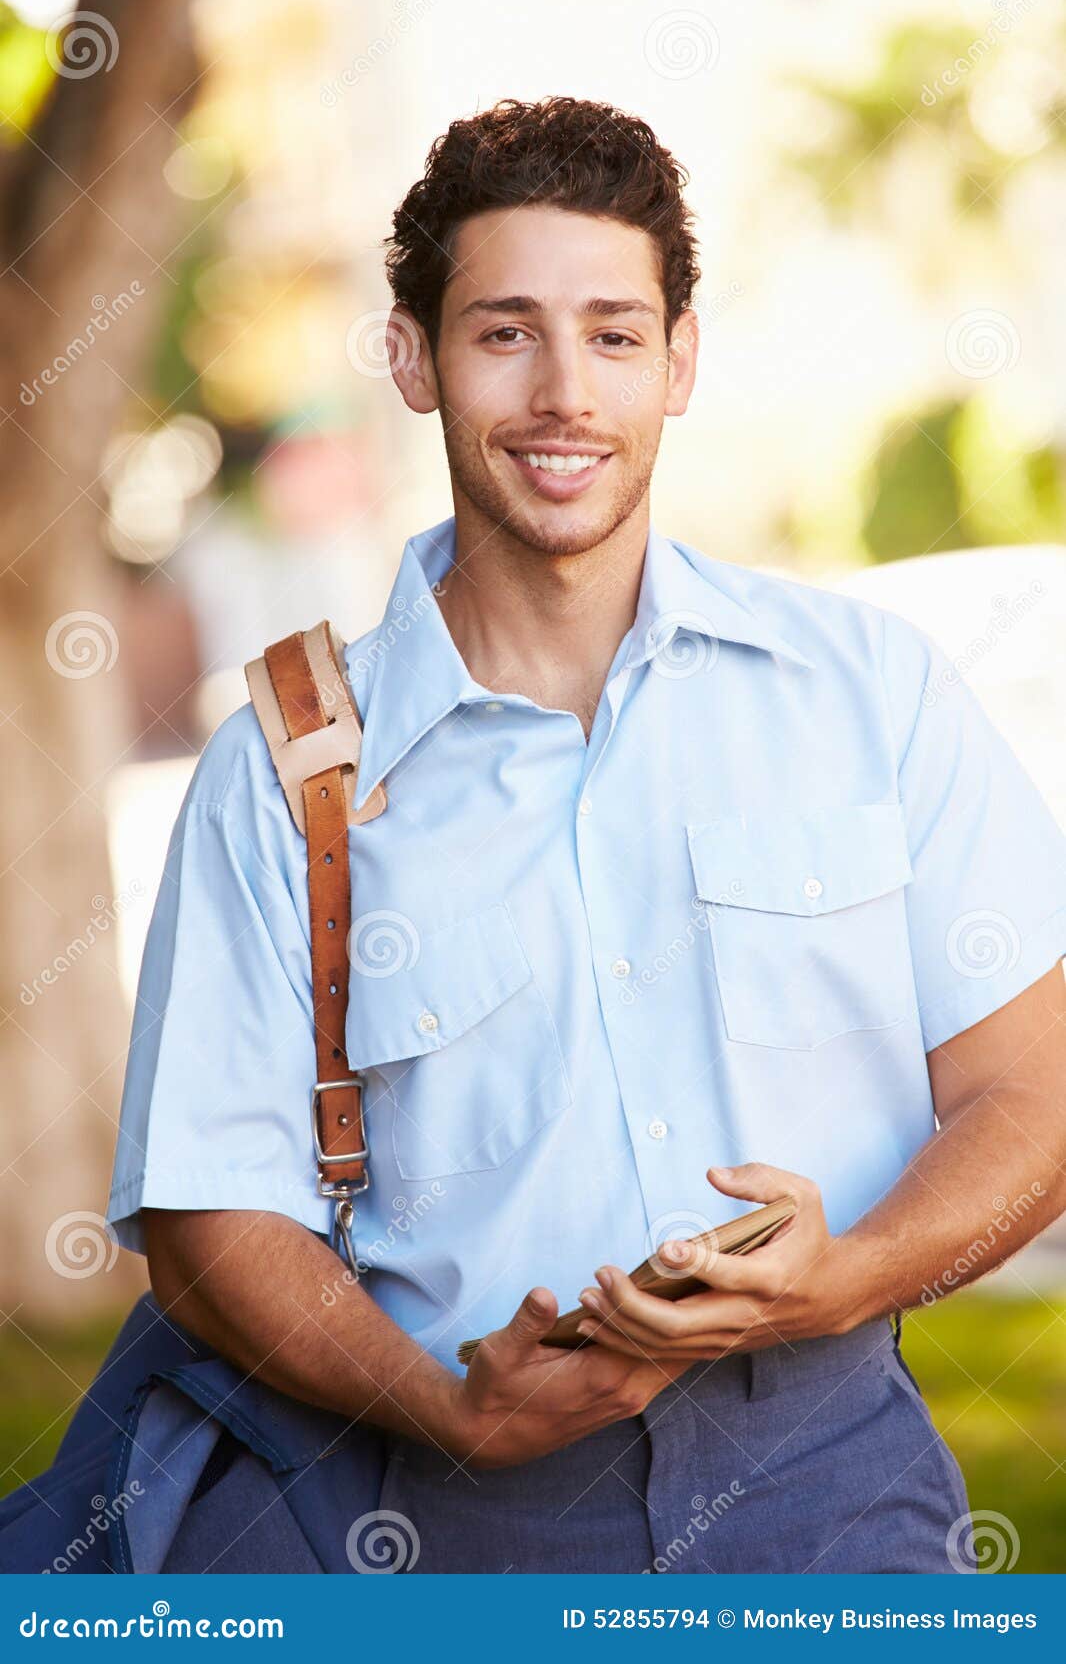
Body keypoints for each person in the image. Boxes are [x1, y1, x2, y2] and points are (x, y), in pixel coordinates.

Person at [90, 96, 1066, 1572]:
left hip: (827, 1481)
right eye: (504, 332)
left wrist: (840, 1275)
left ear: (678, 360)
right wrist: (445, 1407)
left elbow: (1032, 1090)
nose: (563, 392)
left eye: (613, 333)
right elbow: (208, 1218)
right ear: (412, 359)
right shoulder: (285, 773)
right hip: (439, 1507)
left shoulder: (866, 694)